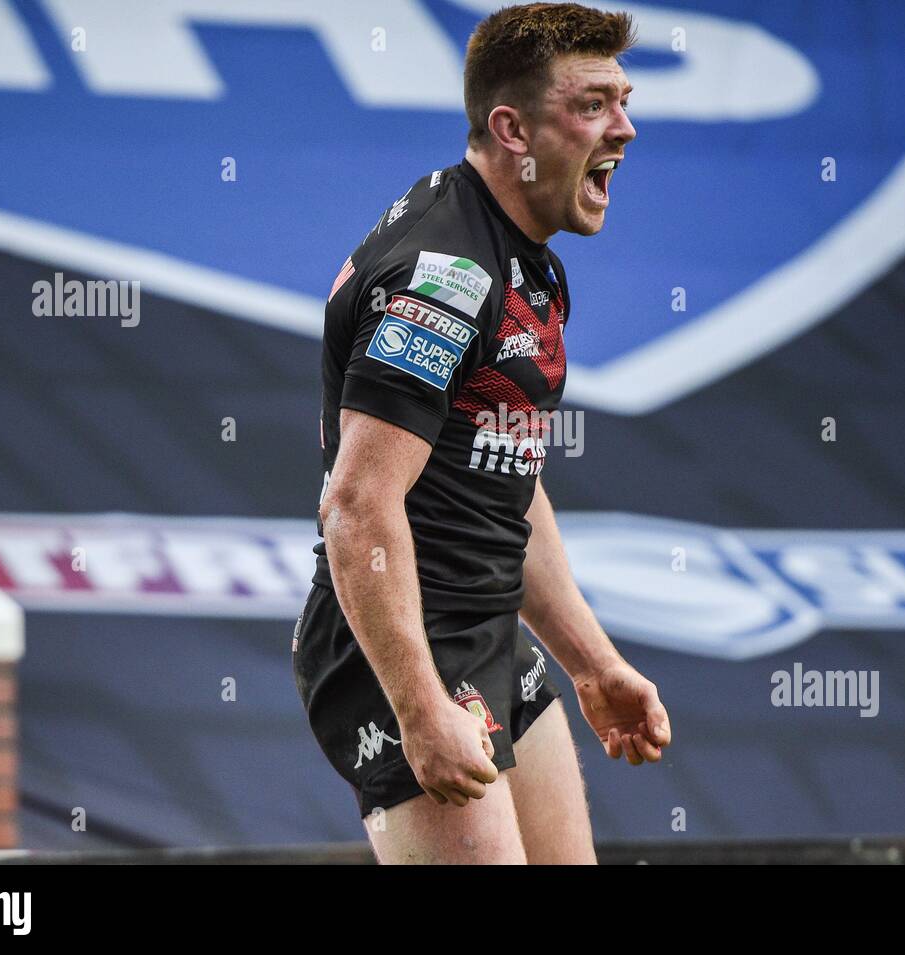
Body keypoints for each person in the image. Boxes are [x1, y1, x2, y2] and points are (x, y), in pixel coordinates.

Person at [293, 2, 670, 865]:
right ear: (511, 128)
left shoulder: (522, 252)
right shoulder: (448, 278)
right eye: (593, 104)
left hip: (485, 627)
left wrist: (591, 663)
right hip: (397, 647)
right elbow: (356, 505)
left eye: (624, 98)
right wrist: (420, 710)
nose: (626, 127)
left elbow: (506, 479)